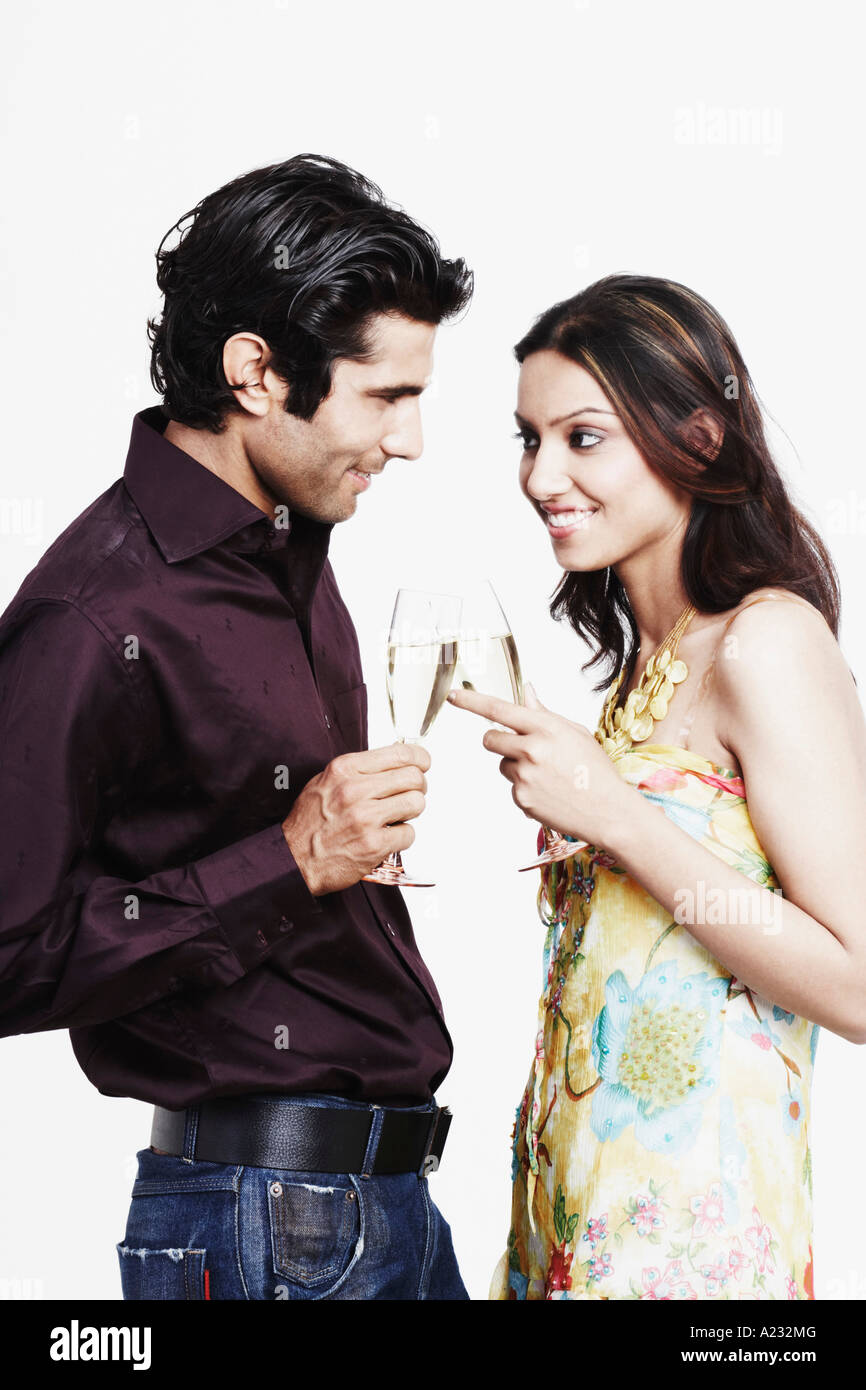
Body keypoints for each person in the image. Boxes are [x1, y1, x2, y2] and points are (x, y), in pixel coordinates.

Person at [0, 154, 474, 1300]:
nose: (408, 442)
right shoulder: (93, 613)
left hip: (382, 1207)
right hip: (265, 1223)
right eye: (386, 397)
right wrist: (290, 858)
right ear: (257, 373)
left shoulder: (287, 548)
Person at [447, 273, 866, 1300]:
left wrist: (616, 816)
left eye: (582, 436)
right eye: (527, 437)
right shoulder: (641, 673)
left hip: (691, 1264)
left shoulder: (764, 640)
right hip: (568, 1224)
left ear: (697, 441)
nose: (542, 473)